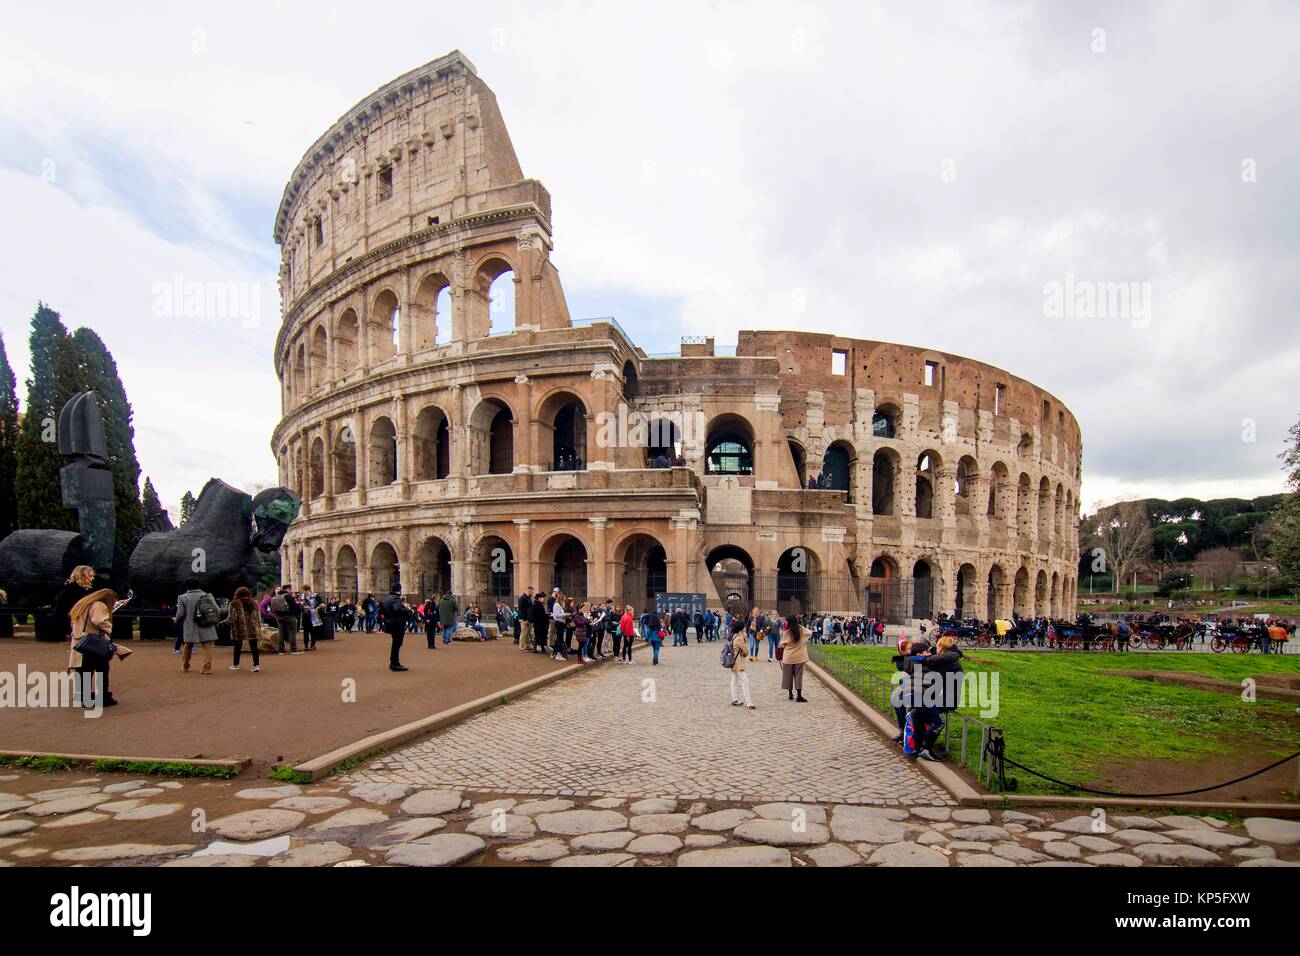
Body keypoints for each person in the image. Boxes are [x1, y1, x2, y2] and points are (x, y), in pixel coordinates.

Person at [69, 588, 123, 706]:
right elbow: (98, 620)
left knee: (84, 670)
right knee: (102, 669)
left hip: (80, 640)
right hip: (93, 642)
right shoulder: (100, 605)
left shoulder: (84, 603)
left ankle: (82, 696)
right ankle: (102, 697)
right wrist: (109, 627)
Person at [174, 585, 220, 674]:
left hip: (190, 625)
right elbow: (217, 609)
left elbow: (181, 613)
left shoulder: (182, 597)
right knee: (207, 646)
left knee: (188, 645)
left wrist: (176, 619)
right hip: (206, 623)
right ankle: (206, 668)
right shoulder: (208, 595)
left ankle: (185, 666)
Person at [223, 586, 262, 672]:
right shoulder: (254, 603)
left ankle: (236, 664)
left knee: (237, 647)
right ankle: (256, 665)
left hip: (239, 629)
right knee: (254, 648)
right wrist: (259, 626)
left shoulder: (234, 604)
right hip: (253, 628)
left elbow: (232, 618)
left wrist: (222, 623)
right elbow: (258, 617)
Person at [779, 614, 809, 702]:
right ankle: (799, 696)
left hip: (788, 657)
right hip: (800, 657)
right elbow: (810, 633)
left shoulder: (786, 632)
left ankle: (790, 694)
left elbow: (782, 645)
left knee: (788, 676)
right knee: (798, 676)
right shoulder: (801, 630)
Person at [381, 586, 409, 671]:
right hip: (397, 624)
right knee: (397, 644)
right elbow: (397, 609)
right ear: (399, 591)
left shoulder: (387, 599)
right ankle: (395, 663)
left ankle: (393, 662)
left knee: (395, 644)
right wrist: (406, 609)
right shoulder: (396, 599)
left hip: (390, 623)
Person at [729, 620, 755, 710]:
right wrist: (744, 639)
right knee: (745, 681)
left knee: (734, 680)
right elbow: (746, 652)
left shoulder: (734, 636)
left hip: (734, 662)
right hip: (738, 662)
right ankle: (749, 702)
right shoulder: (740, 638)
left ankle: (734, 699)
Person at [270, 585, 302, 655]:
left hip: (279, 616)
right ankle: (293, 649)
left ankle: (281, 650)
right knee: (292, 632)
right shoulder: (288, 596)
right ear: (288, 589)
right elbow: (295, 606)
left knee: (281, 633)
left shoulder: (276, 596)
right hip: (289, 616)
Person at [530, 589, 551, 653]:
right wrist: (546, 615)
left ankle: (541, 648)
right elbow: (539, 614)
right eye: (542, 598)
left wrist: (545, 614)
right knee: (539, 635)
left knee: (541, 635)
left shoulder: (539, 604)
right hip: (539, 623)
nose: (543, 599)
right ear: (539, 598)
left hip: (540, 623)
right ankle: (536, 648)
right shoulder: (537, 605)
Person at [517, 586, 534, 651]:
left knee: (528, 633)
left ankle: (527, 645)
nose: (533, 593)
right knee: (524, 632)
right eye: (532, 592)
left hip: (528, 618)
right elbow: (522, 610)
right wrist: (524, 619)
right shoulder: (522, 598)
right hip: (524, 618)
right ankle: (522, 646)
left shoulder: (528, 598)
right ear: (529, 591)